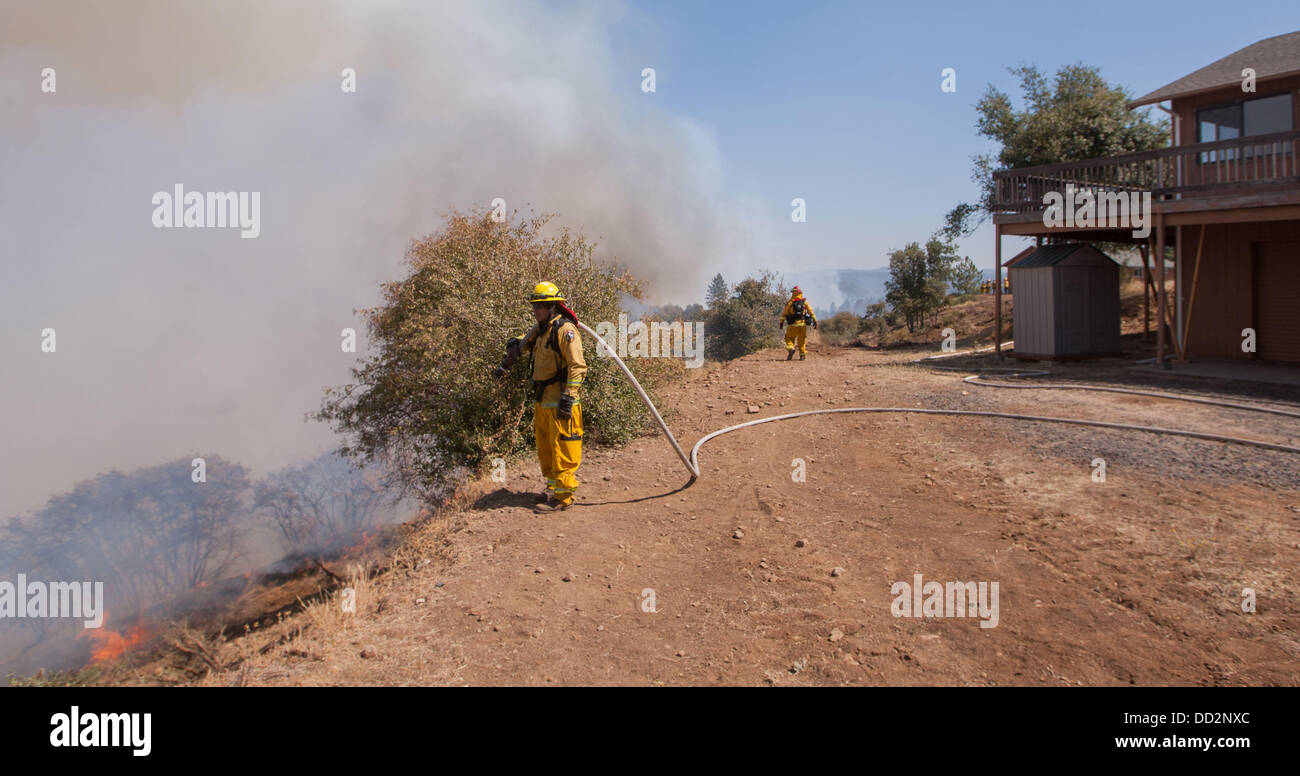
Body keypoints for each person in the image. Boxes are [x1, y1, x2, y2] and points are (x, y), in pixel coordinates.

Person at [496, 282, 588, 512]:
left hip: (561, 402)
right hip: (543, 400)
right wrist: (512, 348)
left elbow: (578, 367)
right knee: (546, 448)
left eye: (542, 305)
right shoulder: (541, 330)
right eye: (535, 305)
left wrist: (569, 397)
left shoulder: (565, 331)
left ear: (554, 306)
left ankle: (563, 497)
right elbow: (523, 347)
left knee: (563, 450)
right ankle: (553, 490)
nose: (537, 309)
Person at [778, 285, 818, 360]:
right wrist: (815, 321)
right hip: (802, 324)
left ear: (793, 293)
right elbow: (811, 312)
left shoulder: (789, 303)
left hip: (792, 324)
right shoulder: (804, 302)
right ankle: (802, 355)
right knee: (802, 340)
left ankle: (791, 348)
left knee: (789, 338)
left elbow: (784, 314)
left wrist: (781, 323)